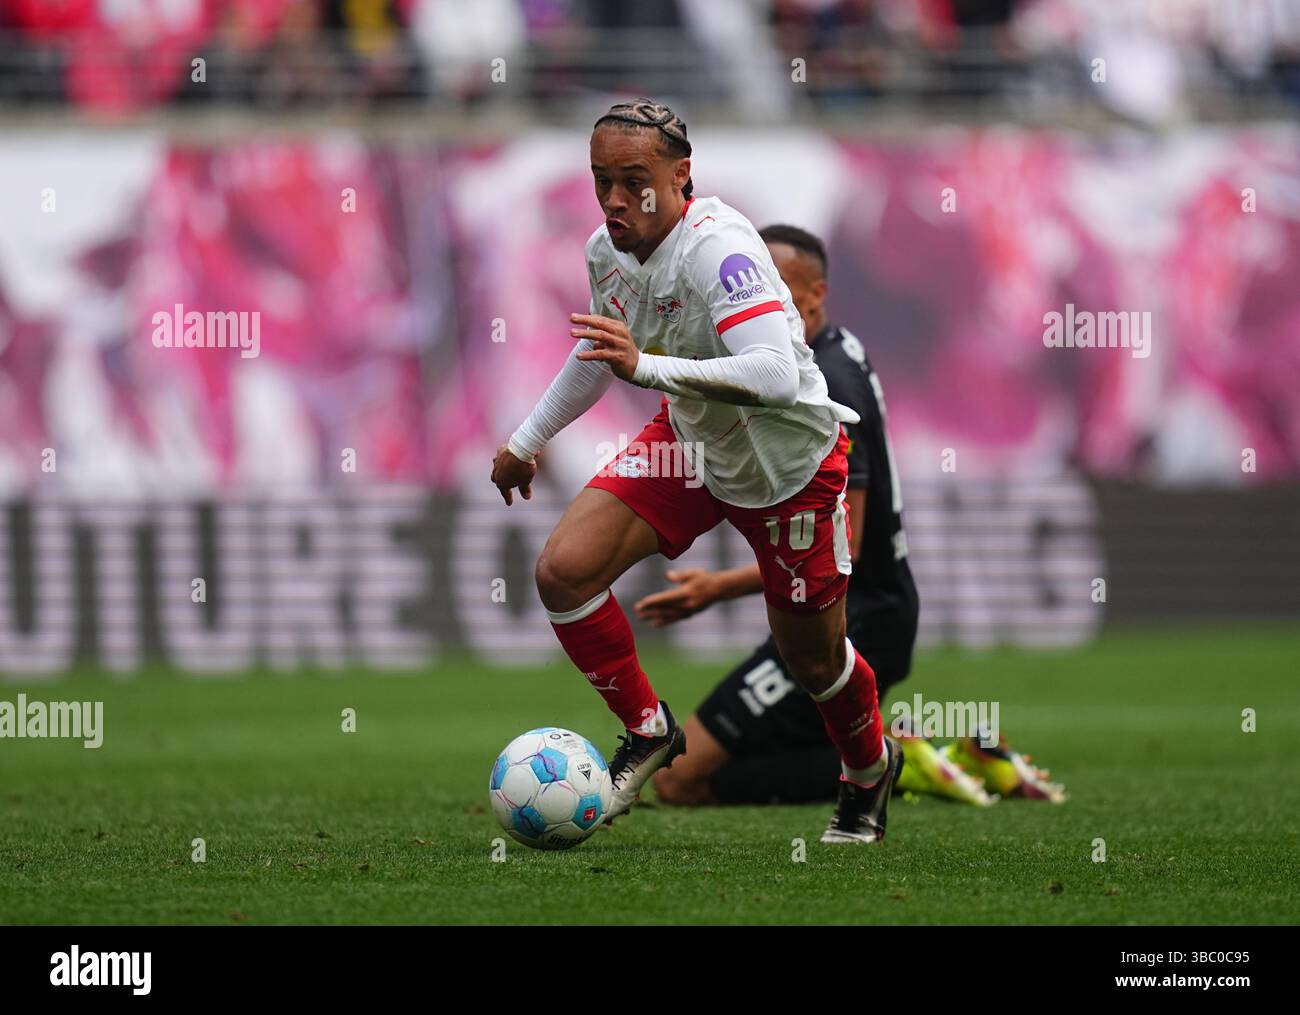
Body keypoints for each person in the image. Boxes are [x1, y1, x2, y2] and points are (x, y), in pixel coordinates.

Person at [490, 98, 901, 844]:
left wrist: (645, 365)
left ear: (682, 177)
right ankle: (648, 729)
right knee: (563, 570)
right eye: (601, 180)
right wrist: (527, 437)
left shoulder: (720, 248)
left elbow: (776, 373)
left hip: (788, 470)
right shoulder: (603, 251)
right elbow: (602, 356)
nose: (616, 200)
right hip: (692, 446)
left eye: (635, 181)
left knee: (814, 665)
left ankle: (869, 773)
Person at [639, 225, 1064, 809]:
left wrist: (719, 586)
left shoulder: (828, 384)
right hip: (862, 608)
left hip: (857, 617)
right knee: (693, 775)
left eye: (782, 290)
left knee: (678, 781)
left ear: (815, 295)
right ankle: (910, 756)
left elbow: (850, 544)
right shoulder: (836, 352)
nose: (765, 307)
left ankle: (901, 760)